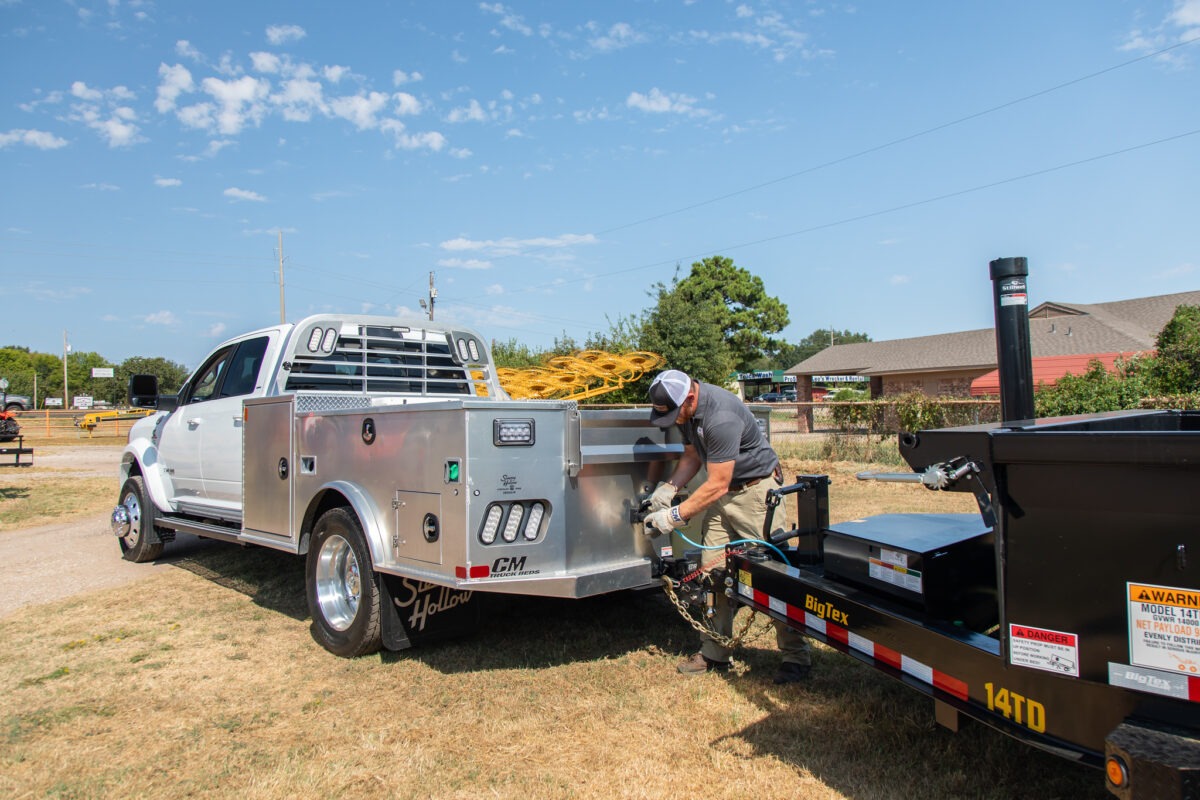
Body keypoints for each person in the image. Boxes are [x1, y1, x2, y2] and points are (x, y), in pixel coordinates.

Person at [642, 369, 812, 683]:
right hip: (724, 495)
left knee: (772, 574)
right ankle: (715, 653)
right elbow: (693, 455)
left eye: (677, 414)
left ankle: (795, 656)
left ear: (690, 397)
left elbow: (717, 482)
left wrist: (673, 517)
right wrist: (668, 489)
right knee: (711, 572)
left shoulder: (719, 415)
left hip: (755, 493)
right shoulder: (688, 414)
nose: (676, 421)